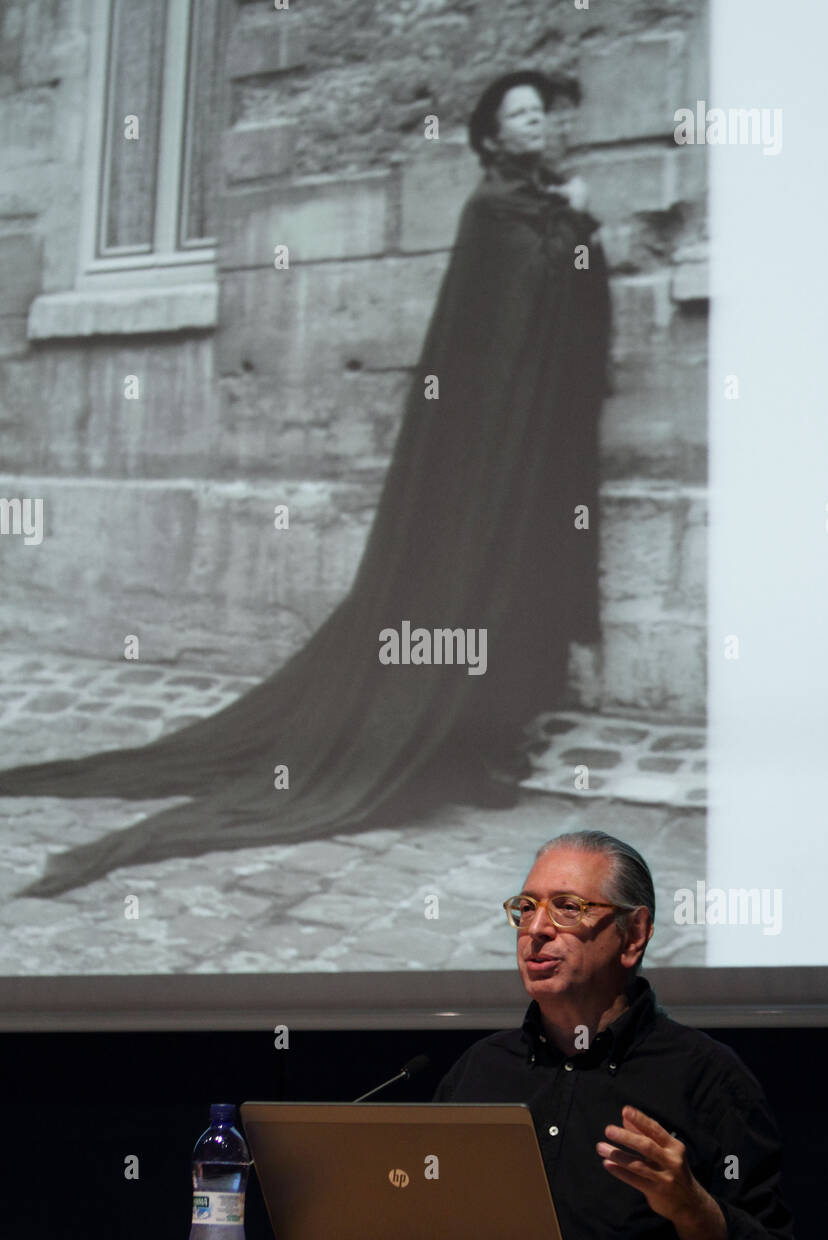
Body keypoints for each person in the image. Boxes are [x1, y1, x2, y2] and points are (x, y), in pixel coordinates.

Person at [0, 71, 611, 897]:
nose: (536, 124)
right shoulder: (496, 211)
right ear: (493, 137)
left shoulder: (541, 202)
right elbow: (509, 316)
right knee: (470, 589)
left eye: (542, 112)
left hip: (529, 444)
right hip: (483, 450)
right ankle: (456, 750)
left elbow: (564, 306)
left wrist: (576, 221)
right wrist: (578, 219)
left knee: (512, 583)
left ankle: (486, 743)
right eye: (520, 116)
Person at [434, 830, 804, 1240]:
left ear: (634, 935)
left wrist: (692, 1208)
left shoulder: (709, 1078)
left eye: (567, 907)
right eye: (527, 907)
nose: (535, 929)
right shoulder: (481, 1070)